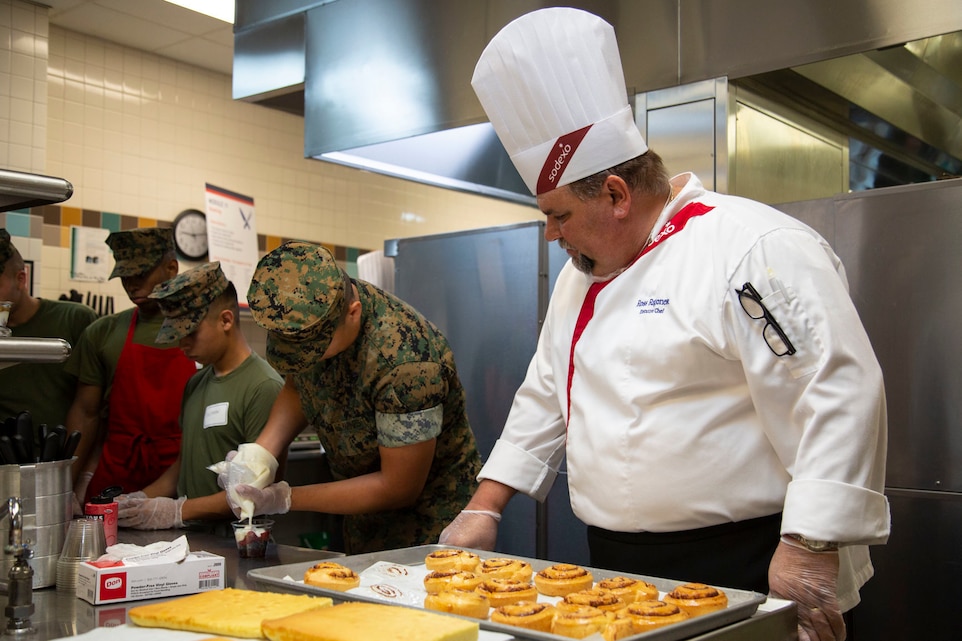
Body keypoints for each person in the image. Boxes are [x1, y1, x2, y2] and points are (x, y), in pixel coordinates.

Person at [439, 8, 889, 641]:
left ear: (618, 195)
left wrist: (811, 544)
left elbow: (835, 390)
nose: (552, 234)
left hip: (749, 557)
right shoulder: (581, 278)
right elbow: (547, 390)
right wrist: (484, 508)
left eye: (559, 215)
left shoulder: (750, 246)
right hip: (617, 567)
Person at [216, 241, 482, 554]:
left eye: (313, 352)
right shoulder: (316, 313)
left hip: (431, 531)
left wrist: (283, 497)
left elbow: (398, 487)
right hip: (361, 517)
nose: (307, 361)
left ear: (353, 314)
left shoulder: (406, 360)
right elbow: (298, 384)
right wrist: (261, 454)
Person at [115, 262, 284, 530]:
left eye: (190, 333)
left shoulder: (263, 387)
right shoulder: (195, 383)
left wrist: (177, 510)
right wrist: (140, 499)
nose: (182, 344)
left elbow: (256, 491)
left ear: (226, 320)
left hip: (238, 543)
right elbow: (183, 465)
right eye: (177, 334)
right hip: (192, 539)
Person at [65, 227, 198, 506]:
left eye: (140, 274)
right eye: (125, 276)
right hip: (116, 479)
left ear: (171, 268)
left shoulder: (200, 332)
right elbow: (86, 414)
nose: (131, 285)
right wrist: (67, 487)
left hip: (182, 479)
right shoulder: (102, 333)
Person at [0, 229, 98, 449]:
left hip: (56, 460)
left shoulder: (74, 319)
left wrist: (73, 473)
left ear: (21, 278)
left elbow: (91, 408)